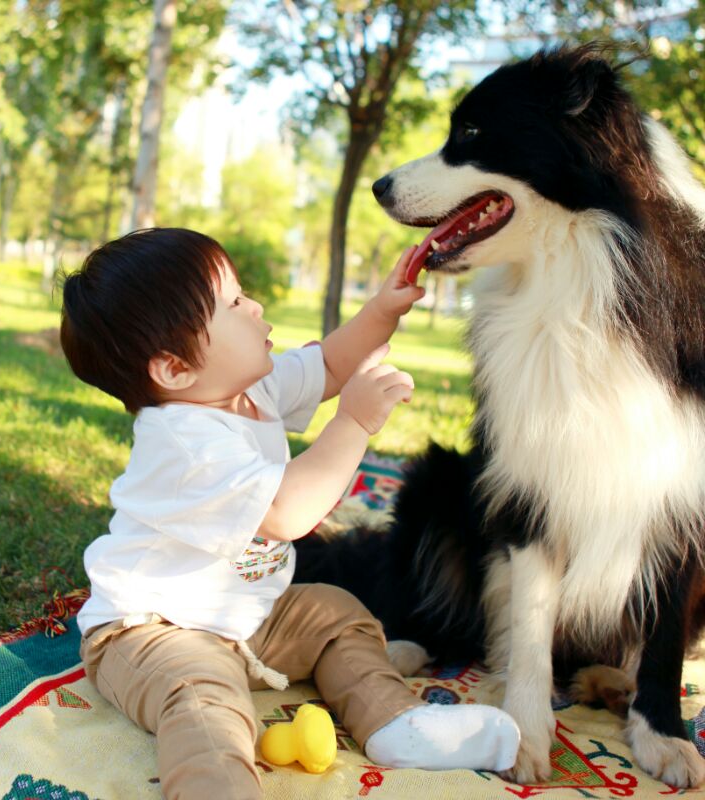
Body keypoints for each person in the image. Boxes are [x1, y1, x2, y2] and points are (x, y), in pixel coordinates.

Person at [59, 228, 519, 800]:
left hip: (247, 618)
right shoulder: (184, 441)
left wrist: (384, 307)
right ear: (175, 369)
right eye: (232, 303)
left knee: (336, 612)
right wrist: (352, 424)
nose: (254, 307)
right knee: (204, 700)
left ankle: (396, 722)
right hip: (150, 631)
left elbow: (330, 362)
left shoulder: (250, 391)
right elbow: (286, 512)